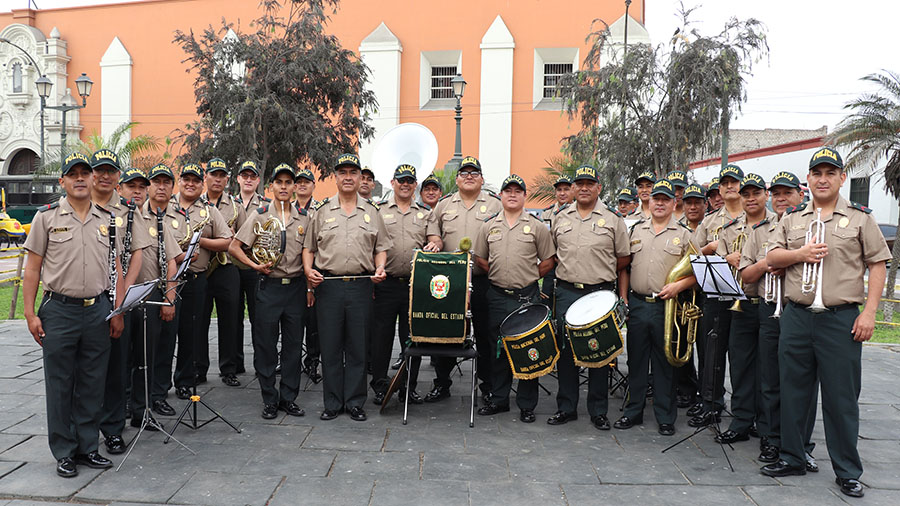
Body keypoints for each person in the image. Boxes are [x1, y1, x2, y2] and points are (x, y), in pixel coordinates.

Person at [761, 148, 889, 499]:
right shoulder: (792, 219)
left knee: (841, 398)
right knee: (793, 391)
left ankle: (847, 470)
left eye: (830, 172)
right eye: (816, 172)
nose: (822, 178)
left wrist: (869, 312)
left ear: (841, 177)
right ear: (808, 179)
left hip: (841, 319)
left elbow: (878, 264)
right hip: (798, 316)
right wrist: (800, 255)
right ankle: (793, 456)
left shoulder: (861, 218)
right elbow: (772, 257)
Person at [23, 152, 125, 477]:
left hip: (97, 311)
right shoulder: (47, 217)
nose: (80, 178)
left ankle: (87, 447)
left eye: (85, 173)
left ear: (94, 179)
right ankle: (64, 451)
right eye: (73, 174)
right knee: (60, 383)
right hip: (59, 312)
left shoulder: (108, 219)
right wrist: (29, 314)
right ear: (62, 181)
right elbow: (33, 268)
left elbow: (117, 267)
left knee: (93, 383)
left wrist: (118, 310)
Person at [303, 153, 391, 421]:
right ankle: (332, 402)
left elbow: (381, 248)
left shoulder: (372, 212)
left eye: (354, 173)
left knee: (357, 347)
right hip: (328, 286)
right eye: (343, 172)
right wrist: (308, 271)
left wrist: (380, 267)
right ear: (336, 177)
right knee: (330, 346)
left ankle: (354, 401)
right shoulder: (321, 211)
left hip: (361, 287)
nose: (349, 177)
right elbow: (309, 248)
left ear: (360, 177)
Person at [740, 171, 818, 470]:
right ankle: (772, 440)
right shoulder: (760, 230)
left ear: (800, 195)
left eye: (787, 193)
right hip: (770, 308)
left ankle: (800, 444)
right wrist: (770, 261)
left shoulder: (812, 225)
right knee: (770, 380)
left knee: (803, 384)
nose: (781, 198)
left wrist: (791, 258)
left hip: (802, 309)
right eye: (777, 194)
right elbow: (747, 276)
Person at [547, 165, 630, 429]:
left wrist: (599, 272)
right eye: (579, 183)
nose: (583, 188)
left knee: (599, 352)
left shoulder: (613, 219)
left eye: (589, 183)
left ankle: (598, 411)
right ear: (572, 188)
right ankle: (567, 407)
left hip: (599, 293)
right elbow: (553, 253)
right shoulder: (560, 216)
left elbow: (624, 257)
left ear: (598, 188)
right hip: (567, 291)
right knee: (566, 351)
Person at [615, 179, 696, 436]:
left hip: (667, 306)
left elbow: (697, 274)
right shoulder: (636, 230)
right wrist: (624, 297)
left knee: (665, 366)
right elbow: (625, 267)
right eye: (655, 199)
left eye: (665, 199)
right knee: (636, 362)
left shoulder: (684, 235)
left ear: (674, 203)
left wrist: (677, 287)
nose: (659, 203)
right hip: (638, 304)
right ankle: (633, 412)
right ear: (648, 202)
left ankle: (665, 417)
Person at [230, 164, 310, 419]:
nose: (284, 187)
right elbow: (234, 247)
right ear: (272, 187)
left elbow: (310, 253)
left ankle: (289, 397)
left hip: (296, 288)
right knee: (265, 345)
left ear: (295, 187)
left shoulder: (305, 217)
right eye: (280, 182)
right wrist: (255, 266)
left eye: (289, 182)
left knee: (293, 346)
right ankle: (269, 399)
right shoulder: (260, 214)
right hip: (269, 286)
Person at [474, 174, 555, 422]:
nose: (512, 194)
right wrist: (499, 274)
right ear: (501, 195)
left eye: (517, 191)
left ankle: (527, 404)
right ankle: (499, 399)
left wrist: (530, 275)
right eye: (507, 190)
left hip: (526, 297)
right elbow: (480, 258)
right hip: (497, 296)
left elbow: (549, 260)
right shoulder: (489, 225)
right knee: (497, 350)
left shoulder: (537, 226)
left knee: (528, 350)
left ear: (524, 196)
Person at [423, 156, 502, 403]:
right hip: (451, 280)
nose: (469, 176)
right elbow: (434, 235)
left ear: (482, 179)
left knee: (487, 335)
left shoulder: (494, 205)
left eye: (474, 173)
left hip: (484, 279)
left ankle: (488, 386)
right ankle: (442, 383)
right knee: (448, 332)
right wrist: (434, 244)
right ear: (457, 179)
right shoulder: (444, 205)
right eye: (464, 173)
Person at [90, 151, 152, 457]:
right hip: (86, 295)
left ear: (117, 176)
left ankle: (113, 429)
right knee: (88, 368)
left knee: (116, 366)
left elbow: (138, 251)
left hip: (117, 296)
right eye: (99, 170)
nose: (105, 176)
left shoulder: (128, 209)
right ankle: (85, 430)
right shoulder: (78, 204)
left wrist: (124, 290)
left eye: (110, 171)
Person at [714, 173, 775, 445]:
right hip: (738, 303)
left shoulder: (778, 224)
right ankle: (740, 421)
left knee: (766, 368)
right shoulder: (729, 228)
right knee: (739, 366)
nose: (751, 199)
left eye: (756, 194)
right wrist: (727, 258)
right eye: (746, 194)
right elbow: (716, 264)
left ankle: (764, 424)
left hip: (767, 303)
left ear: (766, 195)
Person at [689, 164, 745, 427]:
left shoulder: (758, 216)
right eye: (725, 183)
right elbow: (693, 253)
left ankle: (746, 411)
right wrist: (718, 254)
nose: (730, 186)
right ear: (719, 189)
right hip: (715, 295)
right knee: (711, 352)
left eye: (735, 182)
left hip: (748, 296)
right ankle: (711, 403)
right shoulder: (709, 221)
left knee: (742, 358)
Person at [171, 164, 233, 400]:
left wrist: (200, 242)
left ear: (201, 184)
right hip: (168, 280)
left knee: (191, 333)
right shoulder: (164, 206)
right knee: (165, 335)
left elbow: (227, 241)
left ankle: (185, 381)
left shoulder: (208, 210)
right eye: (186, 179)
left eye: (195, 181)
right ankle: (156, 387)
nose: (190, 184)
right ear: (180, 181)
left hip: (196, 279)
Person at [128, 168, 181, 434]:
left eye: (141, 187)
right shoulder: (113, 217)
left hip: (150, 297)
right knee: (120, 359)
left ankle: (141, 408)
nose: (136, 191)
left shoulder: (156, 220)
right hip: (119, 299)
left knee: (146, 357)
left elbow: (171, 261)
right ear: (121, 189)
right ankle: (118, 411)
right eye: (131, 186)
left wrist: (170, 299)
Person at [370, 164, 429, 404]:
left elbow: (434, 237)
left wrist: (434, 243)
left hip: (414, 287)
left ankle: (408, 386)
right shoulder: (378, 211)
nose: (405, 184)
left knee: (413, 338)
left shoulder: (425, 213)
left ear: (415, 185)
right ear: (393, 182)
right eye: (401, 180)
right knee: (381, 338)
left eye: (410, 181)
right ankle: (380, 385)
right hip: (385, 284)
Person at [146, 164, 190, 417]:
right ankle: (135, 396)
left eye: (166, 182)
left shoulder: (179, 216)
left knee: (165, 345)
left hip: (171, 288)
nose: (161, 187)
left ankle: (159, 394)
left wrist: (170, 298)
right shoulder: (135, 215)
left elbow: (177, 253)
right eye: (156, 182)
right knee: (141, 348)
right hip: (143, 291)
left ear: (172, 188)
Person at [201, 158, 245, 388]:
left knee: (230, 320)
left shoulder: (236, 206)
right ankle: (199, 369)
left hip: (227, 268)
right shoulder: (195, 203)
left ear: (227, 179)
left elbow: (246, 239)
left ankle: (229, 369)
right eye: (213, 174)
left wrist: (235, 237)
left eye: (221, 175)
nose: (217, 179)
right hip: (202, 268)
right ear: (205, 176)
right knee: (200, 319)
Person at [234, 160, 269, 375]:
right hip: (233, 267)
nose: (248, 179)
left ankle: (261, 364)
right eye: (244, 175)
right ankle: (234, 364)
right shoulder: (229, 203)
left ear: (257, 180)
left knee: (260, 319)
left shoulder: (266, 205)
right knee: (233, 318)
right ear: (238, 178)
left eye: (252, 176)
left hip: (256, 267)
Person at [674, 183, 706, 409]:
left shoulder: (712, 226)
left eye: (697, 202)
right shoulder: (676, 229)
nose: (692, 207)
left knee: (706, 348)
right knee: (681, 341)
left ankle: (706, 394)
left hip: (707, 295)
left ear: (706, 204)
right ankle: (685, 389)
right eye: (689, 202)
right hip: (683, 294)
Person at [294, 167, 322, 382]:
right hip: (291, 272)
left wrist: (311, 285)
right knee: (292, 321)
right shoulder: (286, 209)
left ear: (313, 186)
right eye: (299, 182)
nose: (302, 185)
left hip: (313, 274)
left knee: (313, 324)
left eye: (307, 182)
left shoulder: (321, 210)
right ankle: (289, 360)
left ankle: (312, 362)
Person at [539, 174, 574, 303]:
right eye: (559, 190)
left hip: (570, 264)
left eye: (566, 189)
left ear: (573, 191)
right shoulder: (547, 213)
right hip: (551, 263)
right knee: (547, 299)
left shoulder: (578, 212)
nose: (562, 193)